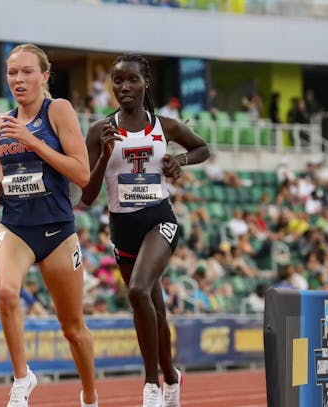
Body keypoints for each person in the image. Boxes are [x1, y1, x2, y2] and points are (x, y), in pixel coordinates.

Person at [81, 53, 210, 407]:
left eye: (132, 80)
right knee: (155, 309)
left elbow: (203, 148)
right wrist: (106, 155)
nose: (124, 87)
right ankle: (171, 377)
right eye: (117, 80)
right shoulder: (99, 131)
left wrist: (178, 160)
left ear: (145, 83)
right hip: (123, 230)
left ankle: (151, 385)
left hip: (160, 220)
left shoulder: (163, 126)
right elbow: (87, 197)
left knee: (138, 291)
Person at [0, 43, 98, 407]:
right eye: (12, 72)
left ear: (44, 76)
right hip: (16, 225)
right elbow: (1, 164)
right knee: (5, 293)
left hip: (58, 230)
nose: (18, 79)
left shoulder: (59, 110)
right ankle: (22, 379)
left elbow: (82, 174)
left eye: (27, 72)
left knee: (73, 329)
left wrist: (33, 141)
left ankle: (90, 396)